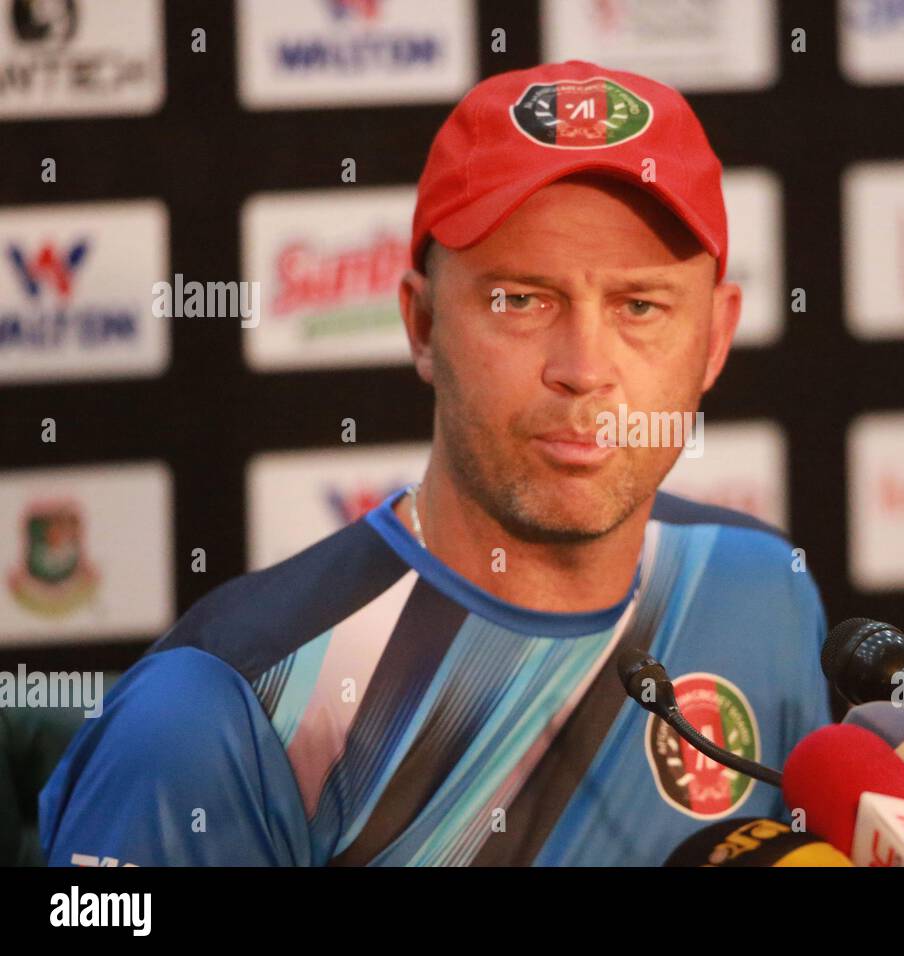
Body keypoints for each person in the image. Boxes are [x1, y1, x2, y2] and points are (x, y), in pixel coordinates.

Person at [39, 59, 831, 867]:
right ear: (421, 325)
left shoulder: (763, 589)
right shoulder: (213, 716)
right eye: (520, 300)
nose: (584, 368)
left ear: (715, 339)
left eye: (640, 306)